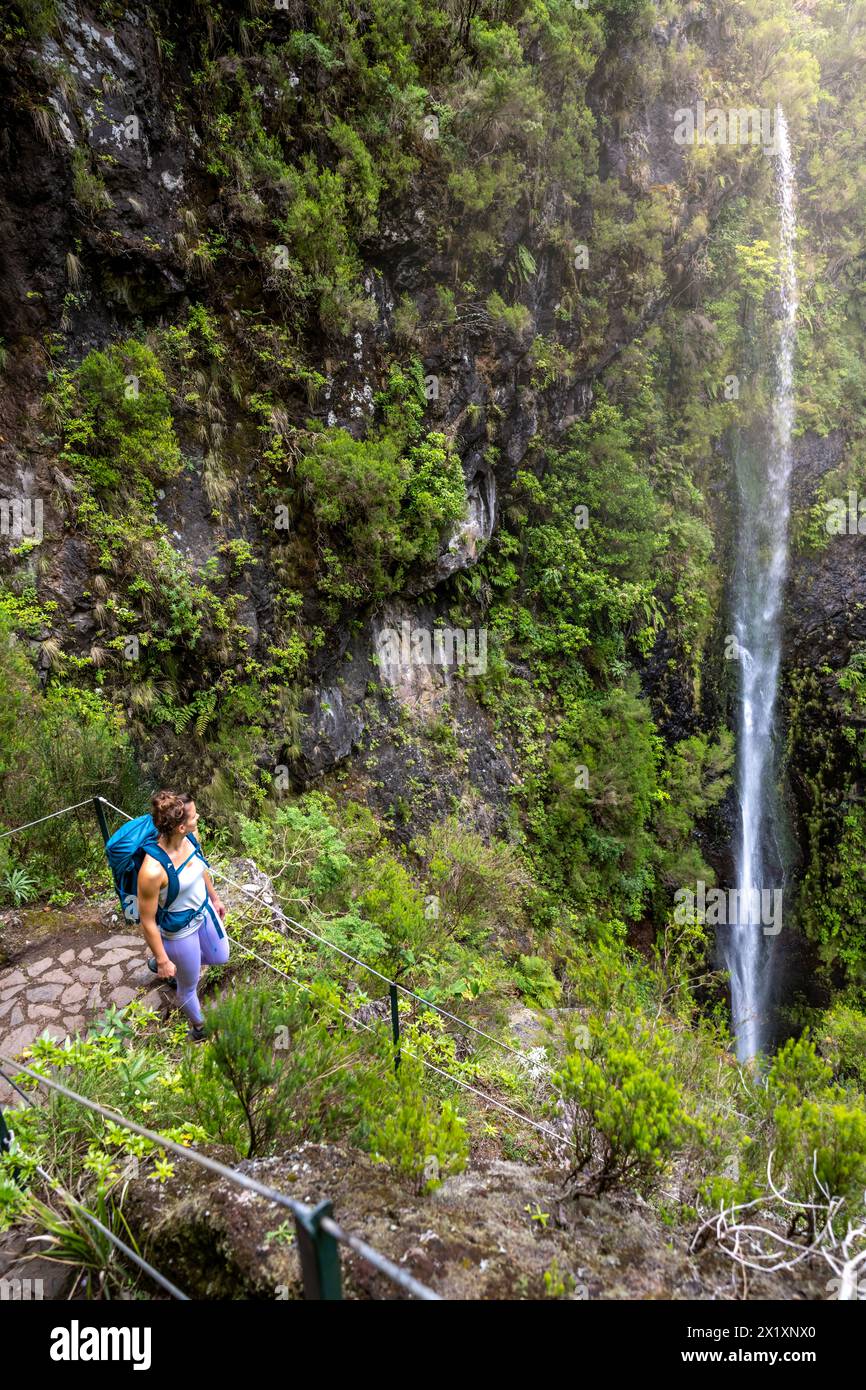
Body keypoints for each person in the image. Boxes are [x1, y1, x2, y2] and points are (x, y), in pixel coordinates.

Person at [137, 791, 228, 1042]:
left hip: (203, 913)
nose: (197, 817)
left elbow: (200, 867)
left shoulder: (190, 839)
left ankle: (177, 964)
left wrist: (215, 898)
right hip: (180, 930)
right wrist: (163, 958)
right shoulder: (152, 870)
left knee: (221, 955)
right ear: (179, 826)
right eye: (193, 816)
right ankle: (200, 1029)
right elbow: (146, 920)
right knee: (189, 987)